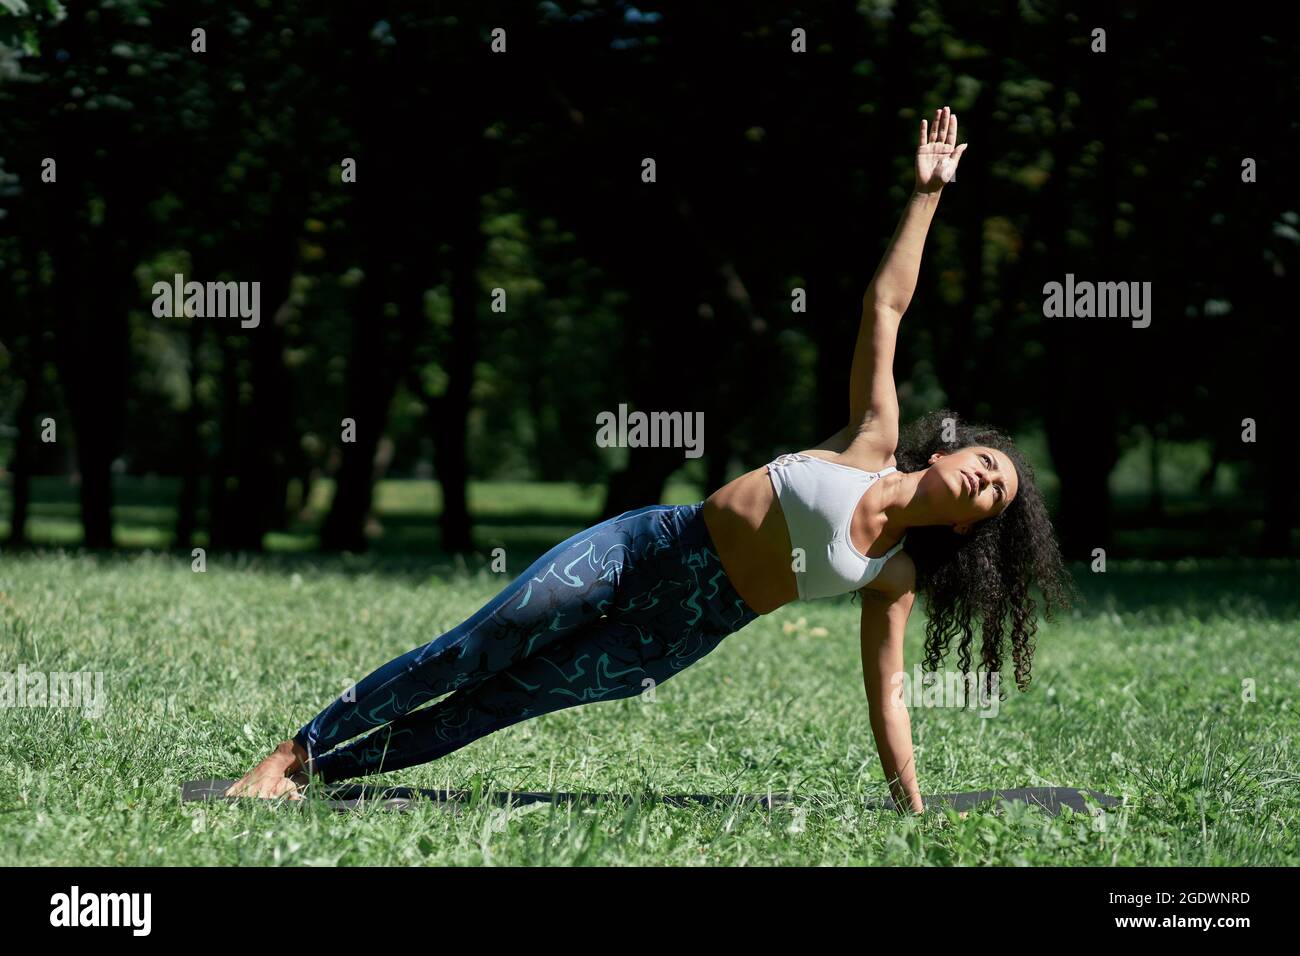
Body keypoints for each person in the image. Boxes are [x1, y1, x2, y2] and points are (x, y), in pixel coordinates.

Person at [227, 106, 1073, 813]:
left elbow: (887, 695)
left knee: (497, 705)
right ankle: (291, 753)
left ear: (970, 521)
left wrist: (911, 811)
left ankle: (326, 777)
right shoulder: (872, 436)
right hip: (649, 547)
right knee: (474, 650)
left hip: (676, 632)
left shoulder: (891, 578)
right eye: (988, 463)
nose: (987, 477)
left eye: (995, 493)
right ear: (950, 451)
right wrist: (925, 197)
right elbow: (885, 305)